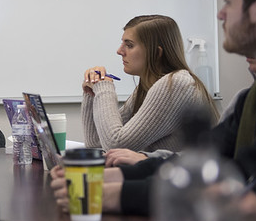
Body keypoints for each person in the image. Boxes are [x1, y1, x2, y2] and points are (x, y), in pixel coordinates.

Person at [51, 0, 256, 219]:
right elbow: (202, 163)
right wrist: (102, 178)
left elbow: (246, 187)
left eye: (228, 2)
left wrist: (106, 192)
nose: (220, 14)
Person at [81, 14, 218, 167]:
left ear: (157, 53)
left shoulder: (176, 83)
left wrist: (104, 88)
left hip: (181, 186)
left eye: (130, 45)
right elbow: (95, 144)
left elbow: (115, 145)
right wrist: (91, 94)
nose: (119, 51)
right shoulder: (148, 85)